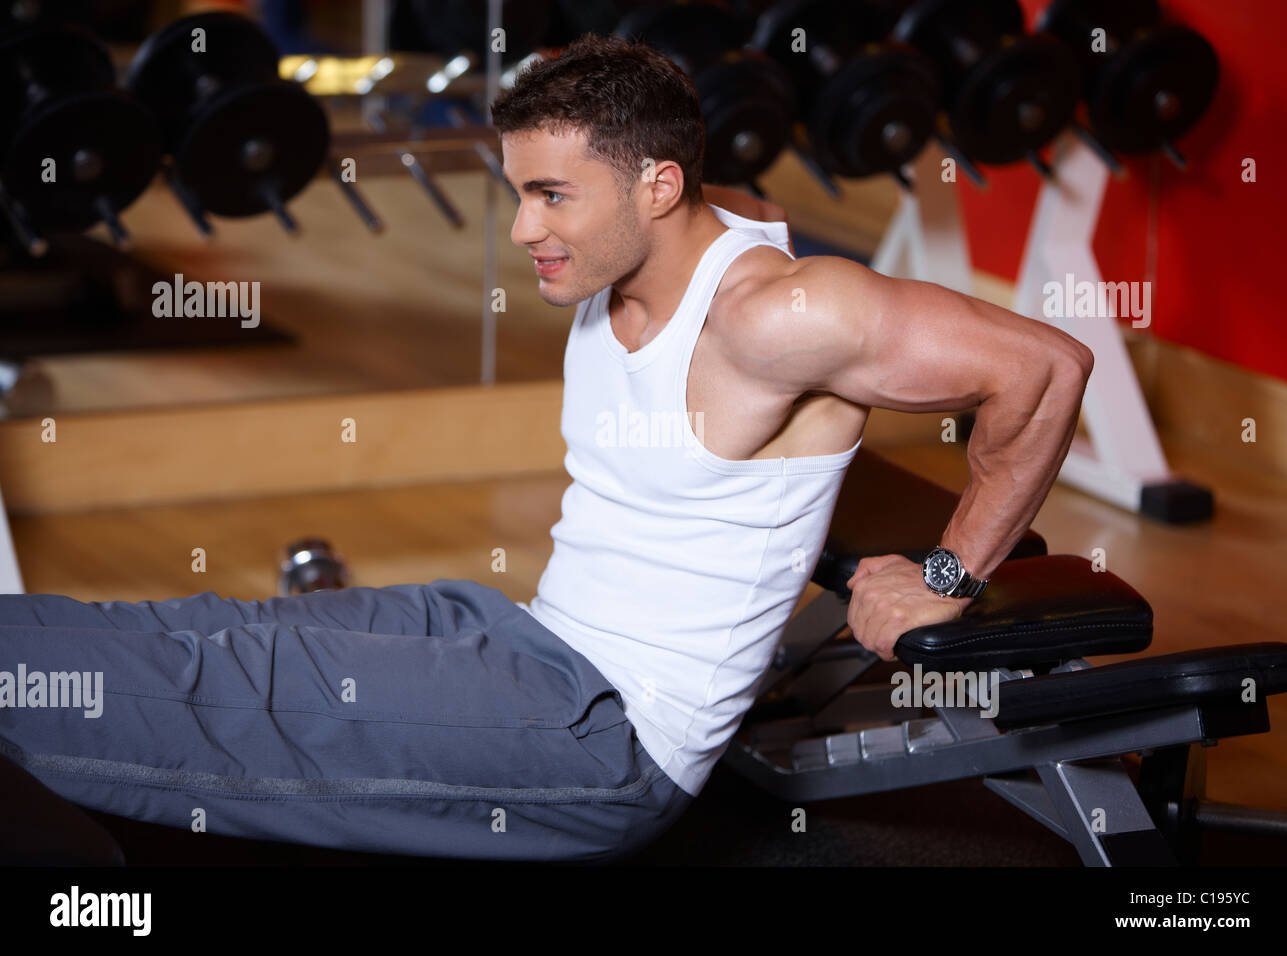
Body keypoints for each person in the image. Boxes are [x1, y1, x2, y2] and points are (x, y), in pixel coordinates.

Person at [0, 34, 1091, 864]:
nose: (522, 228)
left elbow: (1042, 366)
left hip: (596, 736)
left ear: (658, 186)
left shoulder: (775, 314)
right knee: (190, 631)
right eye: (520, 190)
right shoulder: (656, 249)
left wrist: (945, 577)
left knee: (196, 689)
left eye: (551, 195)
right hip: (522, 638)